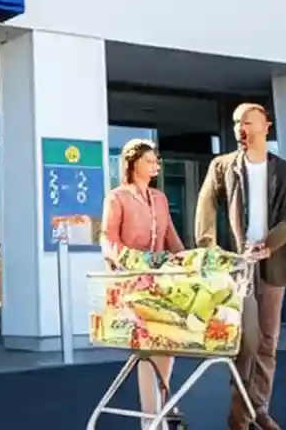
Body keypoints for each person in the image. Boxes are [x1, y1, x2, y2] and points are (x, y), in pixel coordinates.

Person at [193, 103, 286, 430]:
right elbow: (206, 205)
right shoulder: (223, 165)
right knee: (246, 341)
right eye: (238, 122)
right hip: (236, 265)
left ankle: (259, 410)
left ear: (266, 126)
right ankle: (240, 415)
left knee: (268, 341)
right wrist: (209, 247)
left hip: (272, 261)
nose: (242, 128)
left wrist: (270, 243)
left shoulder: (285, 170)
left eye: (249, 122)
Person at [101, 138, 185, 429]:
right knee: (149, 348)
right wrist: (126, 261)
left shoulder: (159, 198)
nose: (155, 166)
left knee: (167, 344)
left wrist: (189, 259)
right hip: (132, 283)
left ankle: (160, 405)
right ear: (134, 163)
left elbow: (171, 237)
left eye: (156, 161)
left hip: (162, 282)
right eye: (150, 161)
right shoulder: (117, 197)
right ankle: (151, 418)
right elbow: (108, 239)